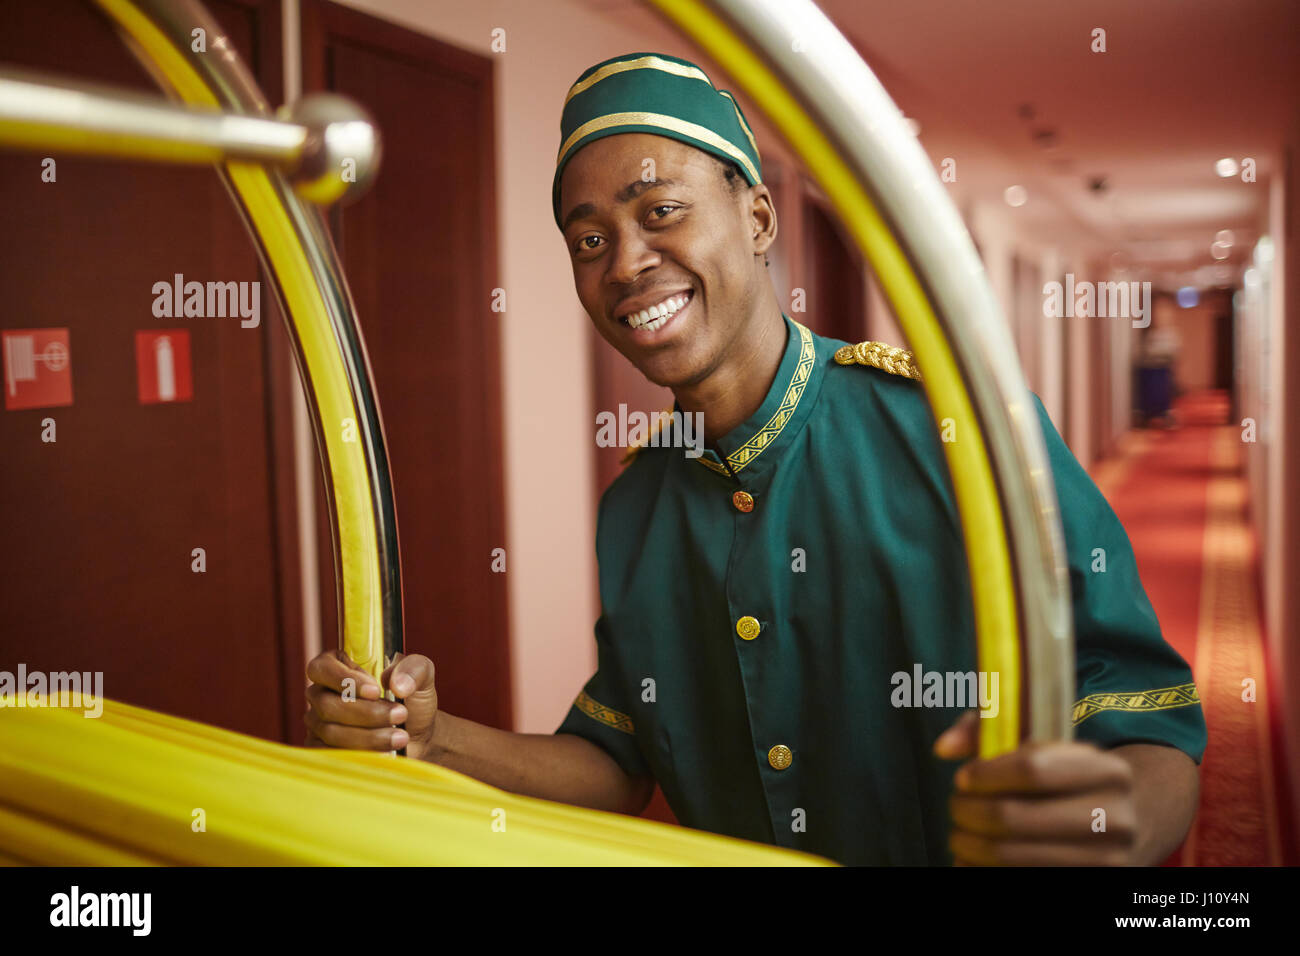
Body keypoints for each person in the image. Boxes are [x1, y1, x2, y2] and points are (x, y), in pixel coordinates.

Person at [305, 52, 1205, 866]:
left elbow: (1147, 714)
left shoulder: (963, 439)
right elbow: (619, 758)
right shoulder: (637, 506)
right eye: (588, 240)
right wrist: (425, 737)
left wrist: (1109, 819)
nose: (624, 263)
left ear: (760, 215)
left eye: (661, 212)